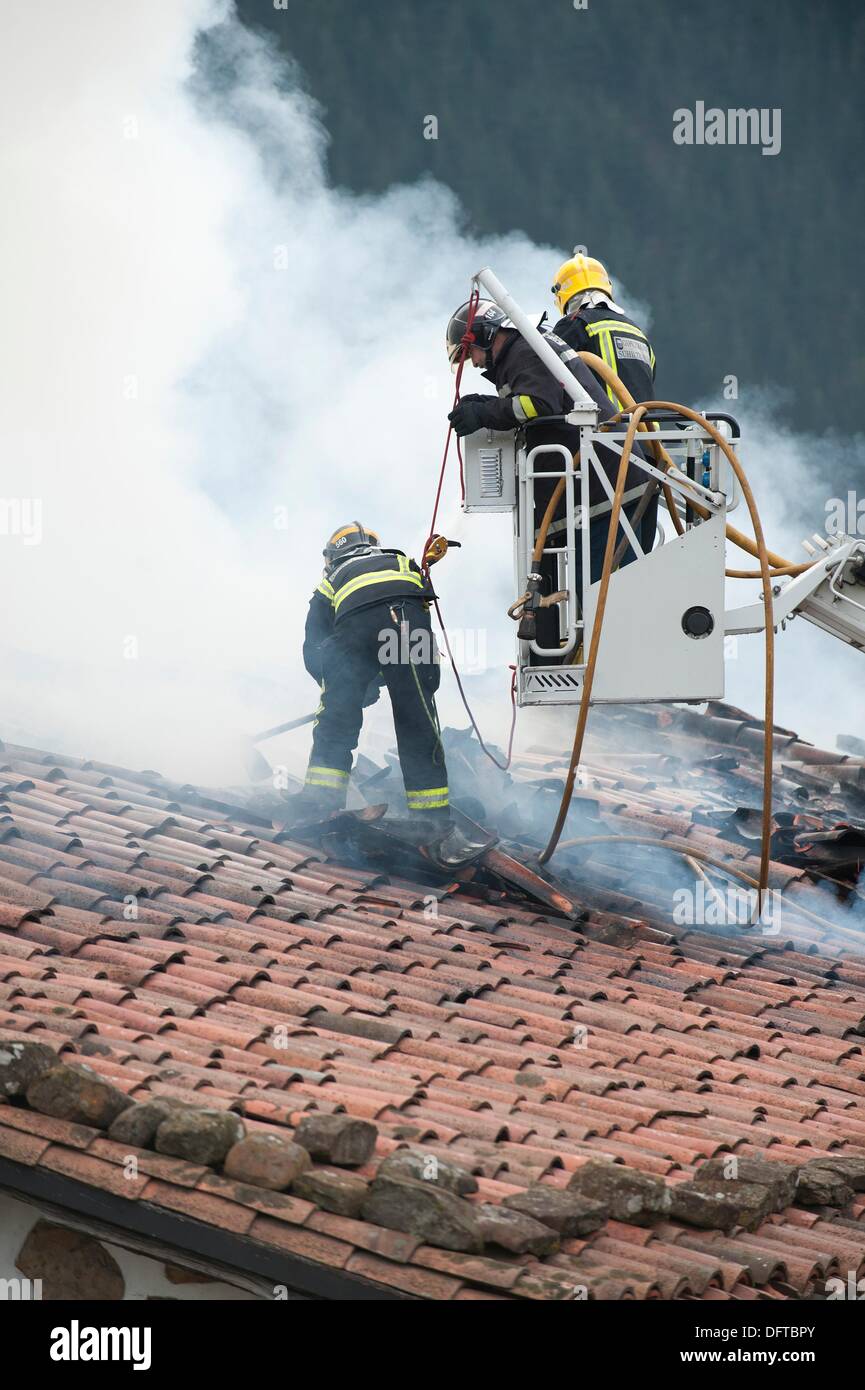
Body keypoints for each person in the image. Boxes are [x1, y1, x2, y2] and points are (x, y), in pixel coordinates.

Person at [445, 301, 658, 629]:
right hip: (610, 486)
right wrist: (489, 404)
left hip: (603, 492)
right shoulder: (529, 346)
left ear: (485, 336)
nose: (472, 364)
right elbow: (542, 400)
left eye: (468, 353)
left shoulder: (525, 350)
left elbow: (537, 403)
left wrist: (486, 414)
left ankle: (610, 666)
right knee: (610, 600)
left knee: (608, 608)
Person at [285, 522, 475, 863]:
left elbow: (315, 650)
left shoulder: (330, 582)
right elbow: (417, 632)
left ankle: (320, 803)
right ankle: (432, 818)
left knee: (336, 720)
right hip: (407, 616)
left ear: (331, 557)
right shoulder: (400, 562)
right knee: (416, 718)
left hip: (356, 625)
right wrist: (414, 682)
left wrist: (348, 689)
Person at [550, 252, 656, 411]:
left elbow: (545, 373)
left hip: (607, 431)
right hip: (648, 433)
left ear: (561, 294)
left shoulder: (574, 324)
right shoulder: (636, 331)